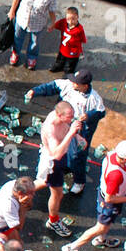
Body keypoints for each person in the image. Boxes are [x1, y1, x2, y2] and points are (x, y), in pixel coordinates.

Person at [62, 141, 126, 251]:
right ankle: (72, 248)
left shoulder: (113, 155)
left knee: (106, 225)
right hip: (109, 203)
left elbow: (124, 167)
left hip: (107, 195)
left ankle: (101, 239)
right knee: (100, 227)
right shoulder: (115, 175)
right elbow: (109, 199)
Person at [33, 101, 85, 237]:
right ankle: (53, 221)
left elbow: (66, 127)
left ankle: (19, 191)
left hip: (60, 159)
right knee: (57, 194)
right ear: (58, 115)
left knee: (44, 182)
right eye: (69, 117)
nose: (71, 119)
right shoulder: (51, 128)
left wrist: (77, 137)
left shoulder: (60, 117)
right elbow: (56, 154)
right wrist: (72, 133)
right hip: (53, 163)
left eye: (72, 116)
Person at [7, 0, 59, 71]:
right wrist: (12, 11)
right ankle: (15, 53)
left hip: (38, 23)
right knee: (17, 38)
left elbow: (52, 10)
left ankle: (32, 57)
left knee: (34, 42)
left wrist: (53, 23)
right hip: (22, 19)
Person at [47, 6, 87, 74]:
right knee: (59, 60)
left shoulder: (79, 29)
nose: (70, 21)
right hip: (63, 48)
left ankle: (68, 73)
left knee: (70, 65)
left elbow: (83, 39)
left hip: (73, 53)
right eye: (68, 19)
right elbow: (56, 25)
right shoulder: (63, 22)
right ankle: (58, 67)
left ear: (77, 17)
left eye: (73, 19)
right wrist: (52, 27)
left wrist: (78, 47)